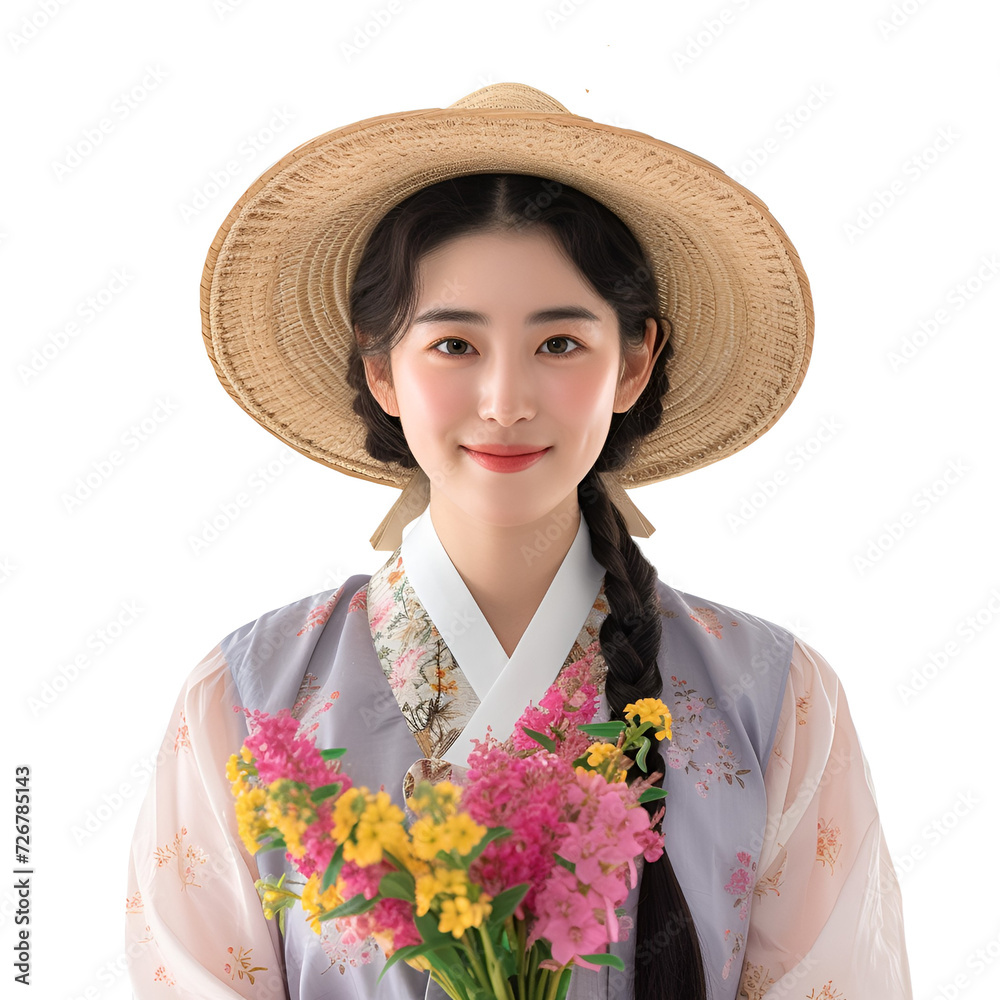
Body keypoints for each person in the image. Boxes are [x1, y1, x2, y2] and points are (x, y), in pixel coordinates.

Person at [125, 83, 913, 1000]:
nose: (505, 400)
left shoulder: (774, 698)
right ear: (381, 368)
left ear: (636, 360)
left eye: (561, 345)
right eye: (454, 346)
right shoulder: (245, 703)